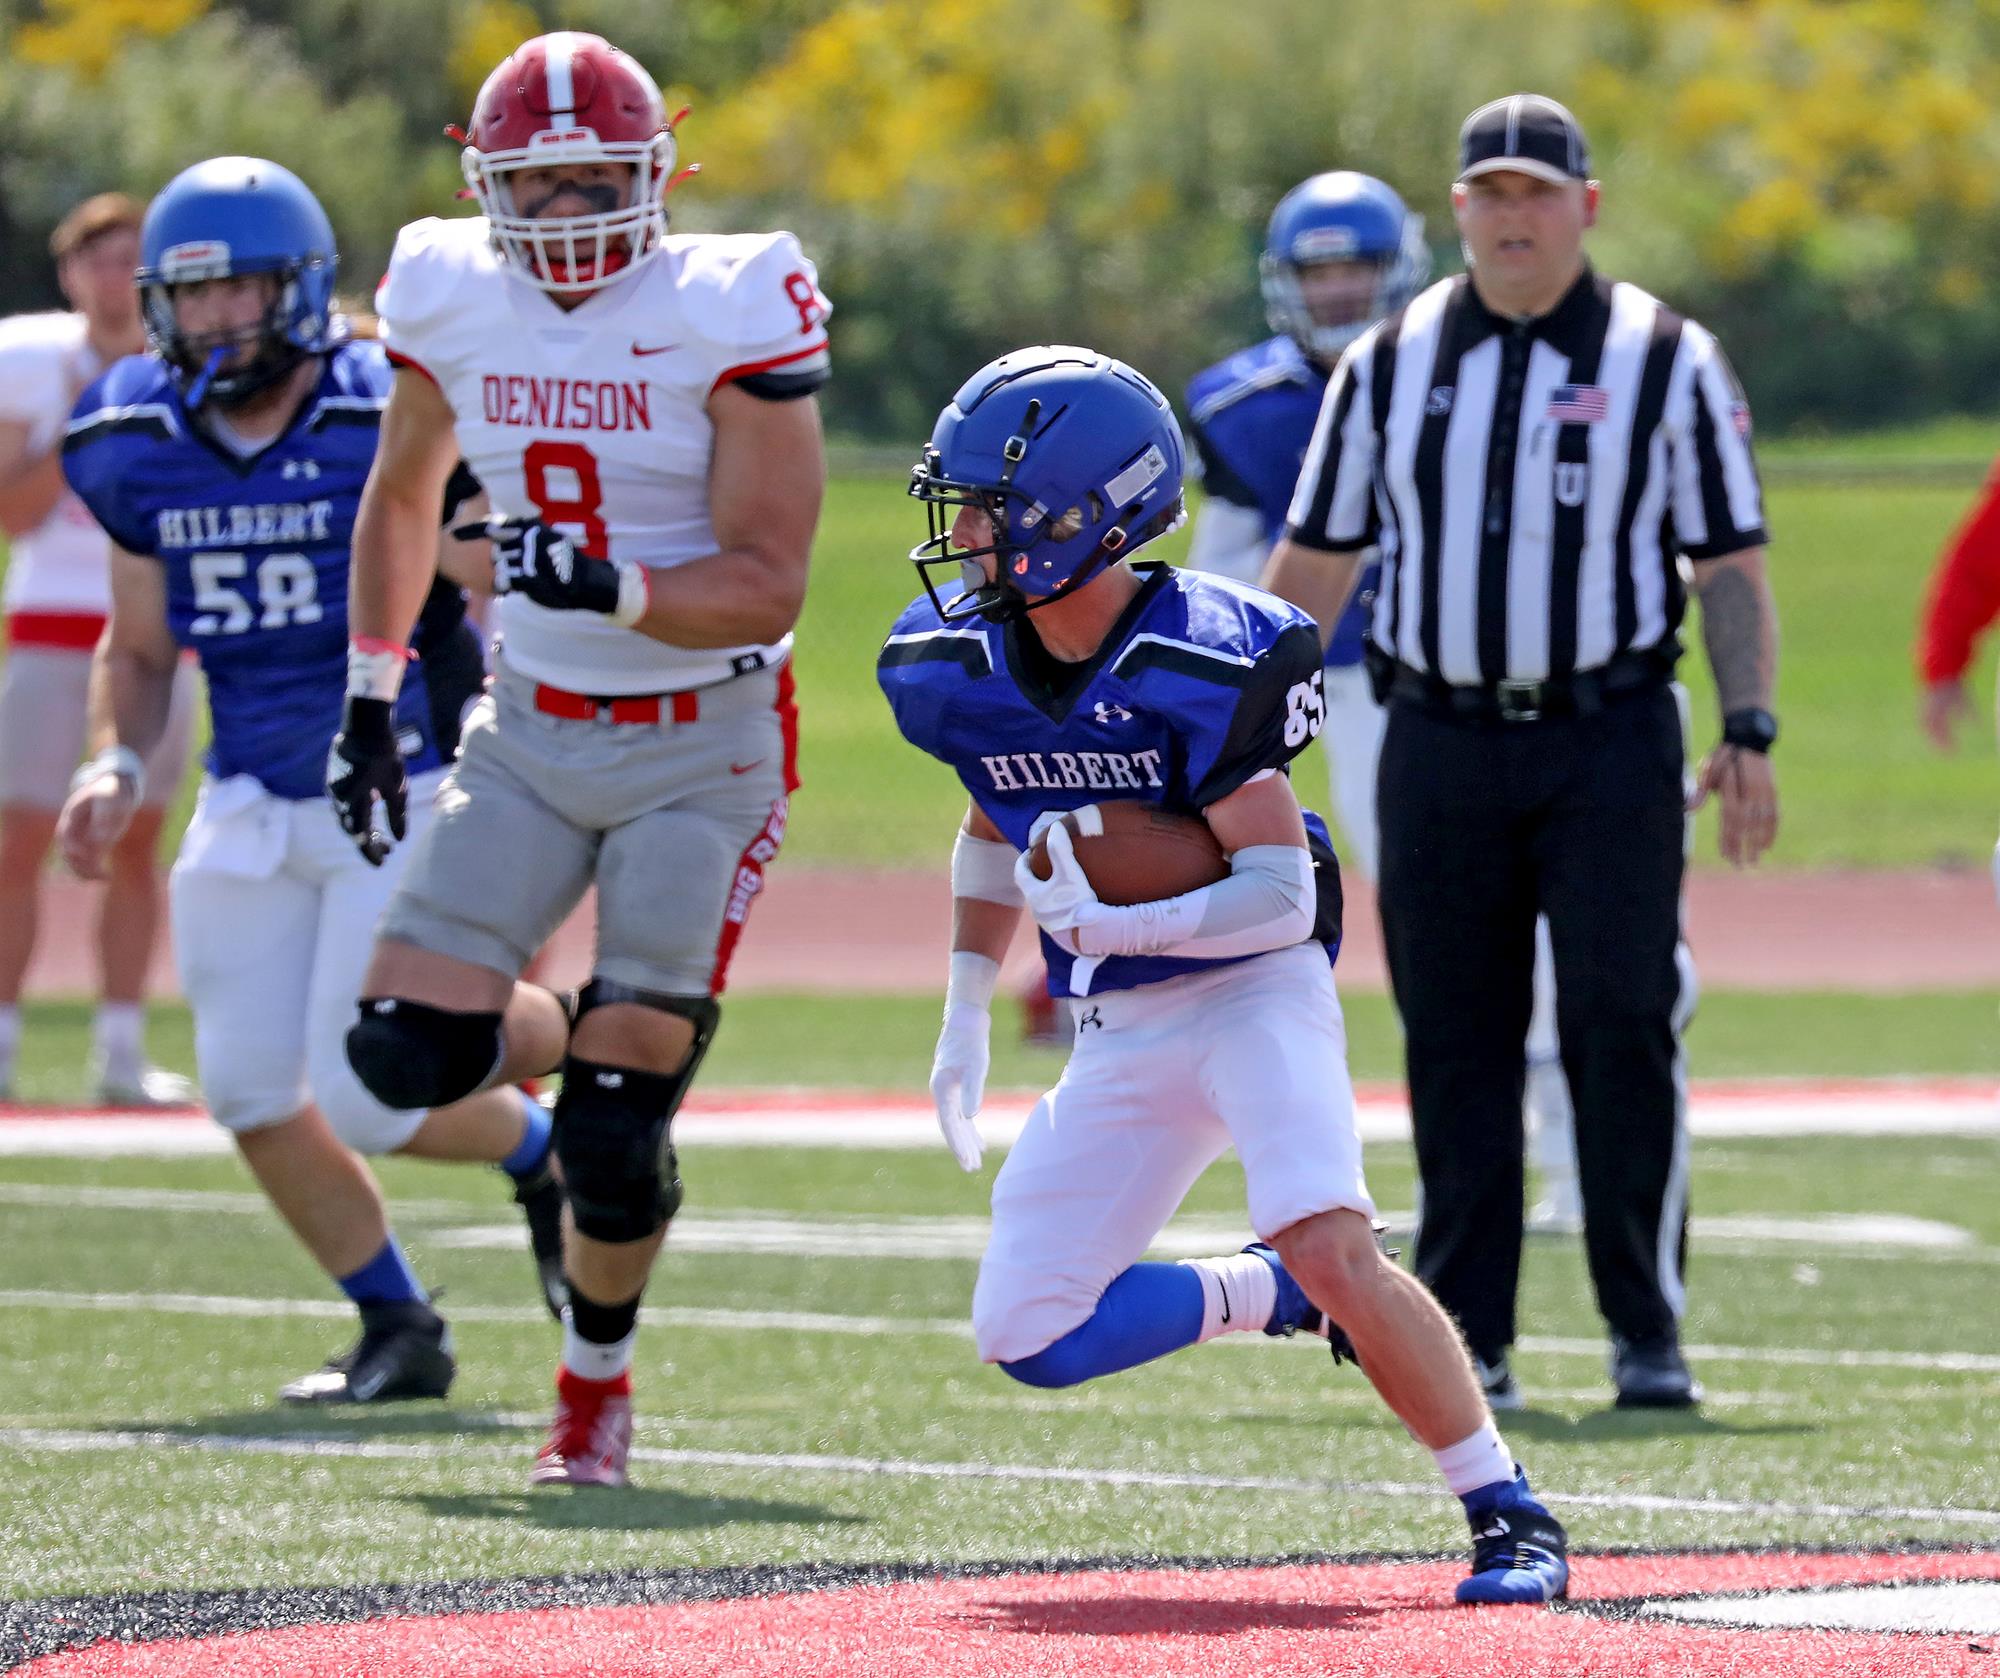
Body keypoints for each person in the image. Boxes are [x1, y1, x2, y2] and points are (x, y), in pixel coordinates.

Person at [878, 344, 1570, 1606]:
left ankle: (1506, 1508)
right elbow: (994, 823)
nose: (964, 533)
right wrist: (967, 1003)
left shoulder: (1209, 651)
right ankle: (1263, 1294)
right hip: (1120, 1020)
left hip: (1253, 987)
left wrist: (1122, 924)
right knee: (1024, 1331)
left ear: (1085, 515)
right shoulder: (953, 665)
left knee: (1331, 1238)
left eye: (989, 506)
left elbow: (1279, 896)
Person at [329, 30, 829, 1488]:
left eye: (593, 181)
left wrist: (608, 581)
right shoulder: (443, 288)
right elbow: (403, 490)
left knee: (617, 1137)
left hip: (705, 741)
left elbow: (772, 581)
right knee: (396, 1058)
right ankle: (563, 1024)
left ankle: (591, 1392)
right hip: (533, 728)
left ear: (656, 171)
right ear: (486, 186)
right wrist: (371, 696)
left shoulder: (729, 302)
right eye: (535, 188)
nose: (564, 217)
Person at [1267, 94, 1777, 1411]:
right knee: (1454, 1035)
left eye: (1537, 193)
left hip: (1609, 730)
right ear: (1457, 212)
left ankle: (1645, 1326)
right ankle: (1469, 1332)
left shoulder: (1671, 359)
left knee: (1622, 1019)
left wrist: (1749, 726)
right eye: (1489, 194)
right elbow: (1316, 558)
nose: (1512, 216)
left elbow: (1727, 562)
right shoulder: (1390, 358)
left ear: (1586, 206)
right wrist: (1246, 733)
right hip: (1437, 733)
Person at [57, 155, 565, 1406]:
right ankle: (397, 1319)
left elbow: (492, 568)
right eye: (194, 295)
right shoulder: (134, 435)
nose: (219, 319)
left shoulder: (383, 407)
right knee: (243, 1087)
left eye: (243, 292)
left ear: (300, 289)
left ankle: (568, 1098)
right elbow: (135, 642)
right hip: (244, 790)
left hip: (398, 773)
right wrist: (115, 759)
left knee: (370, 1095)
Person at [1190, 171, 1585, 1241]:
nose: (1334, 291)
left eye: (1352, 268)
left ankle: (1565, 1154)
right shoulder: (1244, 407)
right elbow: (1220, 572)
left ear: (1396, 266)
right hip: (1337, 681)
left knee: (1517, 918)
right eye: (1316, 272)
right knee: (1433, 912)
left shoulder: (1455, 367)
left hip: (1461, 681)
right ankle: (1493, 1155)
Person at [0, 192, 200, 1106]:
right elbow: (17, 512)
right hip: (55, 622)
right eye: (98, 259)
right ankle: (3, 1040)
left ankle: (121, 1049)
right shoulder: (36, 363)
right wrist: (91, 406)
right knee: (20, 837)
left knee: (139, 842)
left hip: (158, 626)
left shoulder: (191, 362)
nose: (116, 279)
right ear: (70, 273)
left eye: (133, 260)